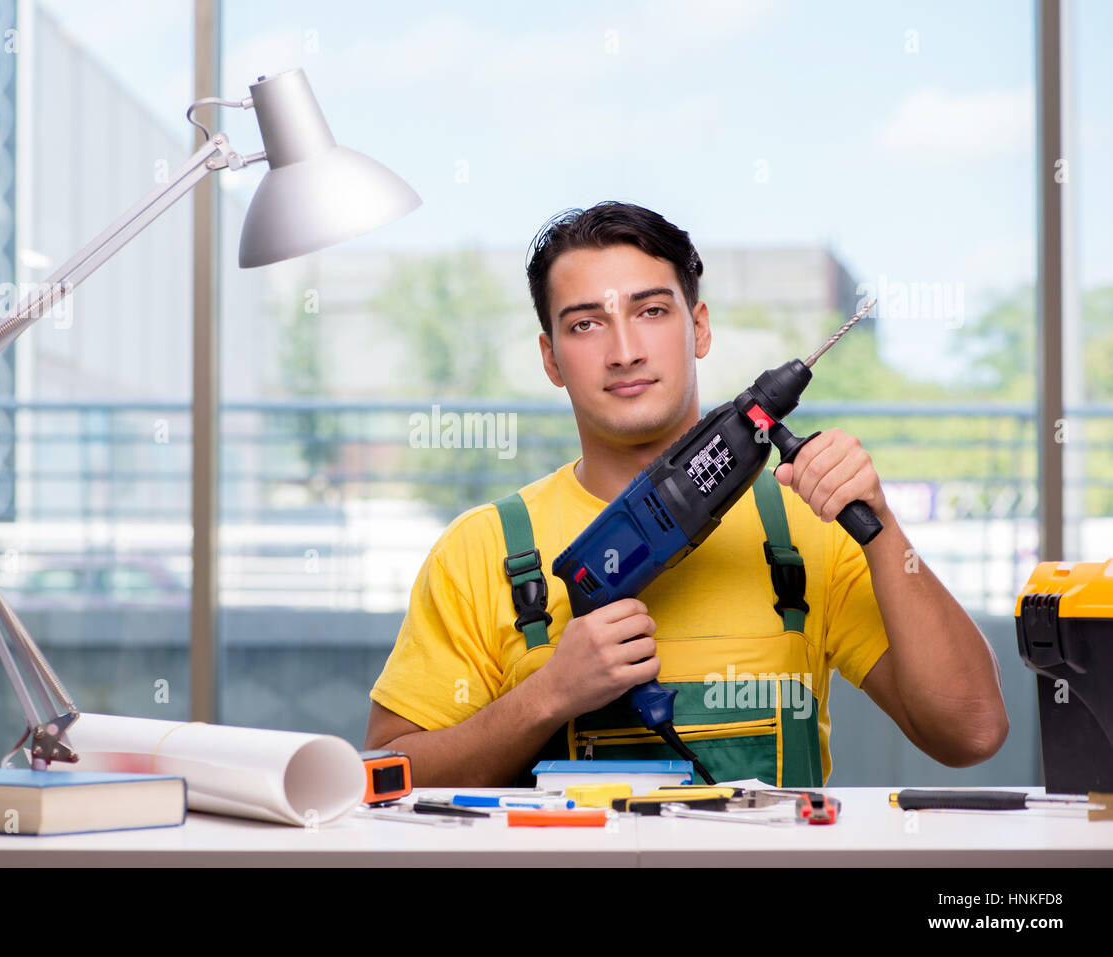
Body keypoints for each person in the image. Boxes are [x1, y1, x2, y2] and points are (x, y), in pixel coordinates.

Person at [364, 201, 1009, 787]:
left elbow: (971, 732)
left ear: (698, 327)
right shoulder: (483, 552)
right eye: (586, 324)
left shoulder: (809, 527)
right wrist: (548, 697)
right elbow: (383, 779)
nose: (623, 351)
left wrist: (883, 530)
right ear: (551, 358)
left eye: (651, 312)